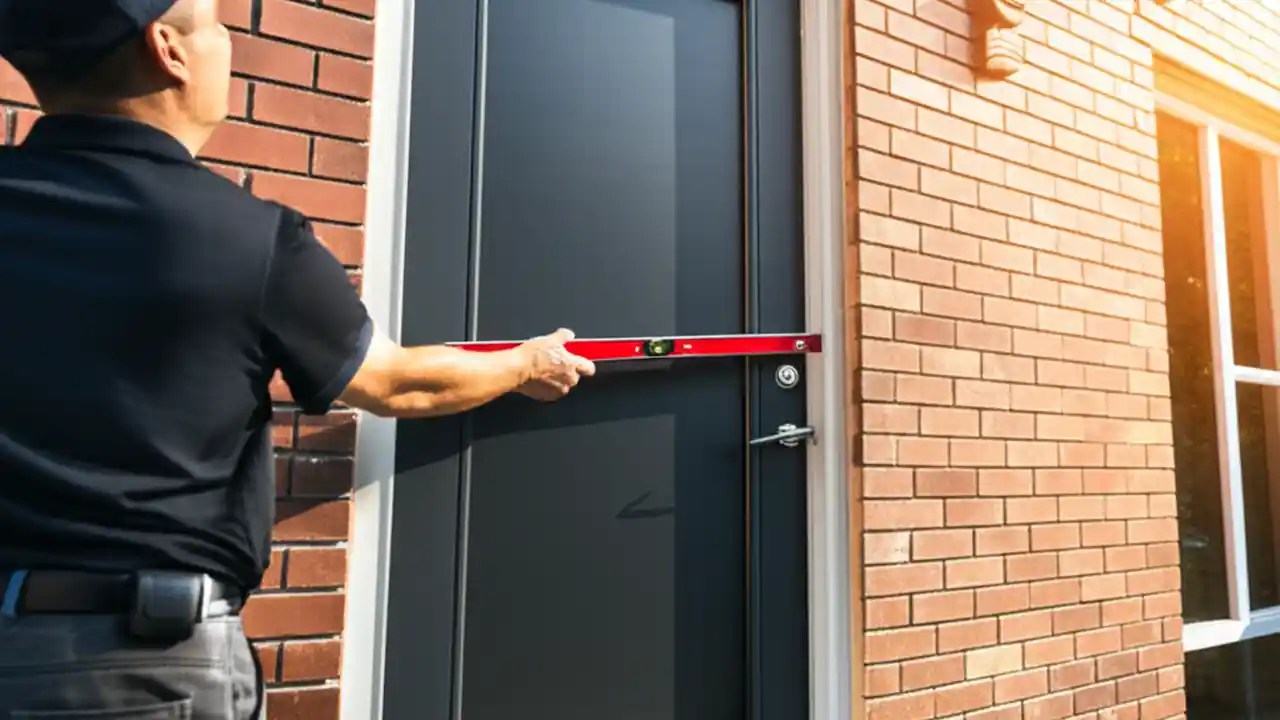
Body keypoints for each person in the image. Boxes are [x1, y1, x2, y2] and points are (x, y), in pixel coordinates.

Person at [0, 0, 596, 717]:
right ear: (169, 50)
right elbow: (395, 384)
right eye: (218, 25)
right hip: (135, 669)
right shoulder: (243, 239)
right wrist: (526, 364)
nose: (228, 45)